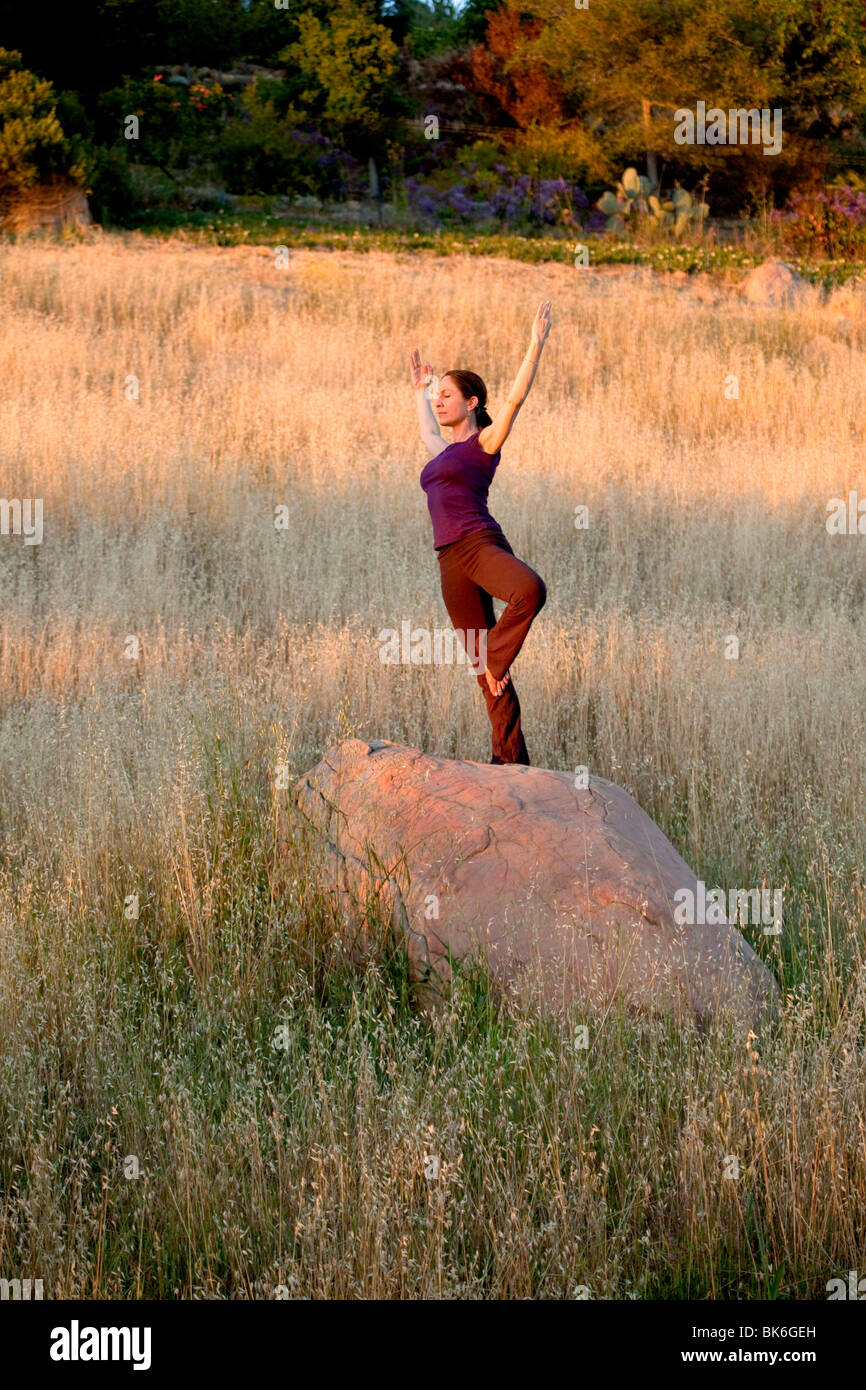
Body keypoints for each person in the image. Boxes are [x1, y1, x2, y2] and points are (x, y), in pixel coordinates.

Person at [410, 300, 551, 765]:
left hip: (478, 544)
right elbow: (427, 428)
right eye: (438, 396)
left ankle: (496, 653)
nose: (439, 401)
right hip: (448, 561)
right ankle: (509, 762)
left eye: (447, 395)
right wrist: (420, 388)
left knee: (529, 589)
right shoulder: (440, 453)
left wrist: (535, 344)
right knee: (487, 676)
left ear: (471, 403)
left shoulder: (482, 444)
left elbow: (515, 400)